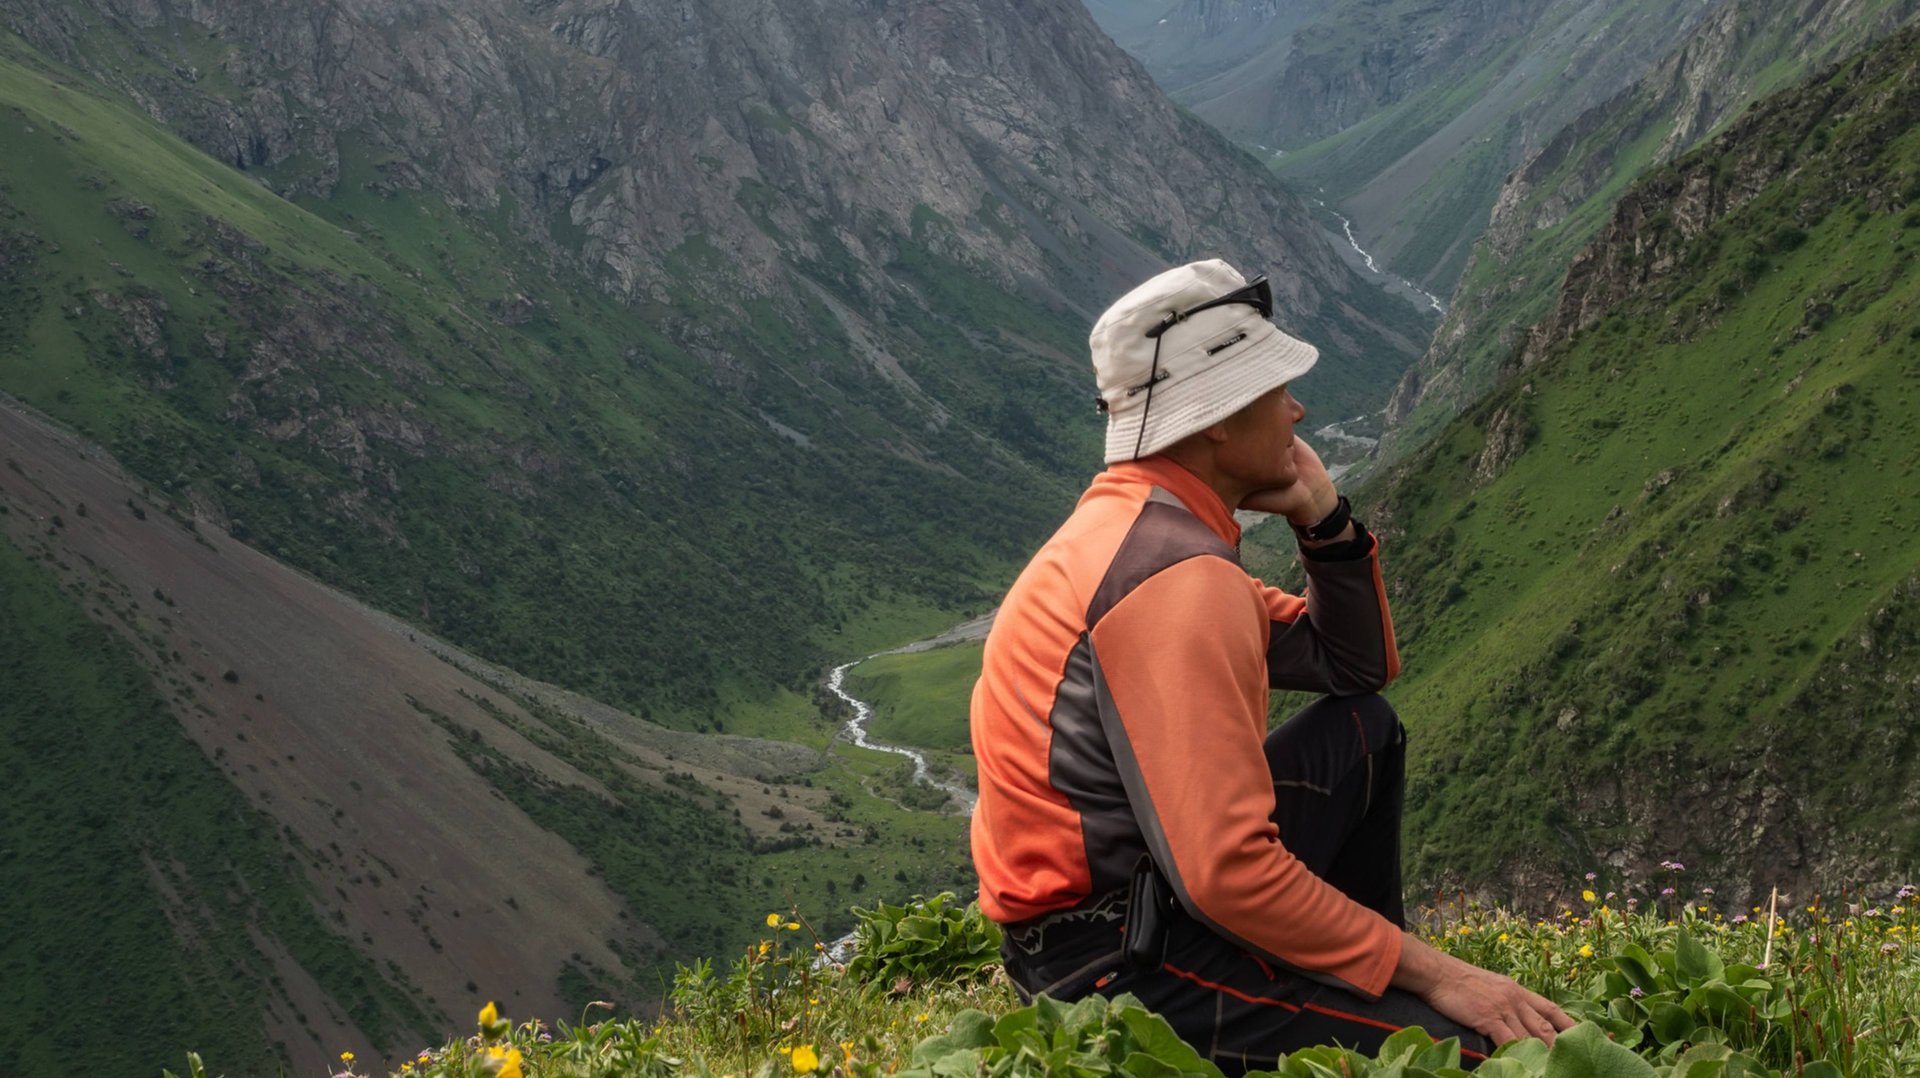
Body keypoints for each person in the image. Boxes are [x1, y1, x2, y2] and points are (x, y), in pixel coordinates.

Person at [968, 260, 1571, 1072]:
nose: (1297, 407)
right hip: (1119, 964)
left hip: (1106, 914)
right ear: (1216, 418)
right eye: (1275, 386)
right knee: (1481, 1063)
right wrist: (1445, 975)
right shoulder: (1177, 580)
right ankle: (1375, 990)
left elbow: (1354, 668)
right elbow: (1225, 874)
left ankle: (1358, 983)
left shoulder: (1135, 532)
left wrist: (1324, 524)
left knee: (1362, 729)